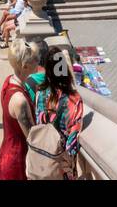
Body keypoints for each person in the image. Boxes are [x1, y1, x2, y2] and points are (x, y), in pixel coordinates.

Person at [26, 45, 84, 180]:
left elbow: (40, 123)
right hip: (61, 167)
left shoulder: (40, 94)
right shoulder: (74, 100)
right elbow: (72, 141)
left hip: (42, 160)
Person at [0, 41, 42, 181]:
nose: (38, 62)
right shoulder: (19, 100)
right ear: (25, 66)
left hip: (7, 151)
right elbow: (32, 137)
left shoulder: (8, 81)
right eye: (35, 59)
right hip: (17, 161)